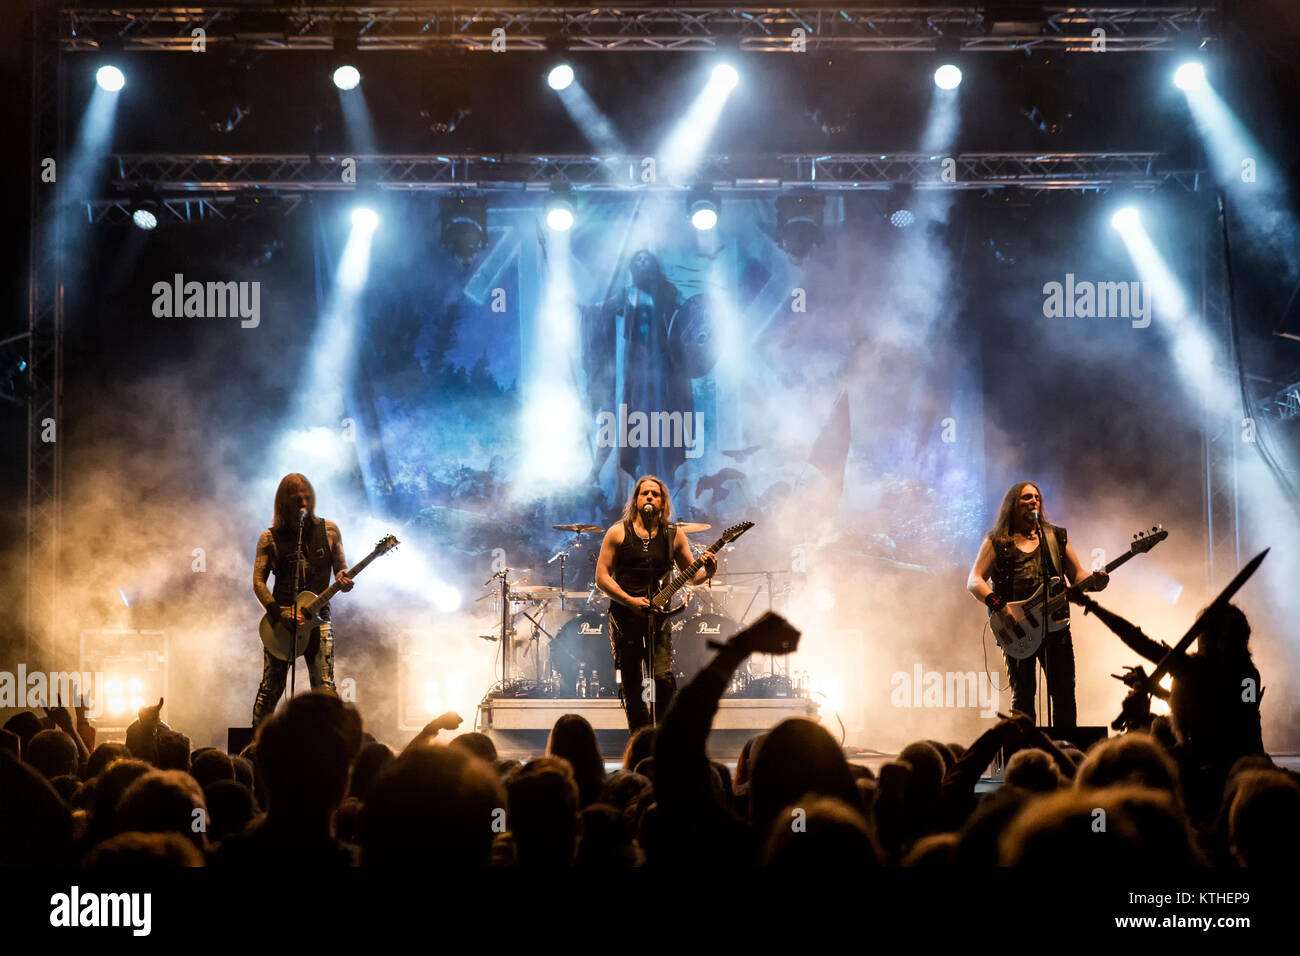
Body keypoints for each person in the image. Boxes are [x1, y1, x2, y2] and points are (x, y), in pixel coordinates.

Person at [966, 481, 1107, 735]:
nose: (1034, 501)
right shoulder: (998, 540)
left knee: (1063, 692)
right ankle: (1025, 754)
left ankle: (1065, 752)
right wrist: (998, 605)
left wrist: (1096, 583)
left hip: (1056, 627)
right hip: (1017, 628)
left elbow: (1077, 577)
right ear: (1013, 504)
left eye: (1037, 497)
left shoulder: (1055, 537)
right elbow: (974, 580)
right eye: (1026, 497)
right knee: (1024, 697)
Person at [595, 475, 715, 731]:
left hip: (658, 620)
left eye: (655, 494)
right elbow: (601, 577)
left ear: (663, 503)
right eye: (644, 493)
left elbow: (692, 577)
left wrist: (709, 572)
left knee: (662, 679)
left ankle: (664, 742)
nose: (649, 497)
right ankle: (640, 744)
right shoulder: (618, 532)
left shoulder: (674, 535)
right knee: (633, 684)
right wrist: (629, 601)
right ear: (636, 500)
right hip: (624, 618)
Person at [251, 474, 353, 727]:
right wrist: (279, 613)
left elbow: (342, 568)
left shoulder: (329, 530)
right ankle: (255, 748)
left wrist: (344, 579)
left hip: (319, 619)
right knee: (271, 689)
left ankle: (330, 748)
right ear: (285, 502)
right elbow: (258, 582)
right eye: (298, 499)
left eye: (307, 497)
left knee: (325, 688)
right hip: (282, 621)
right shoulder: (270, 537)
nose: (304, 502)